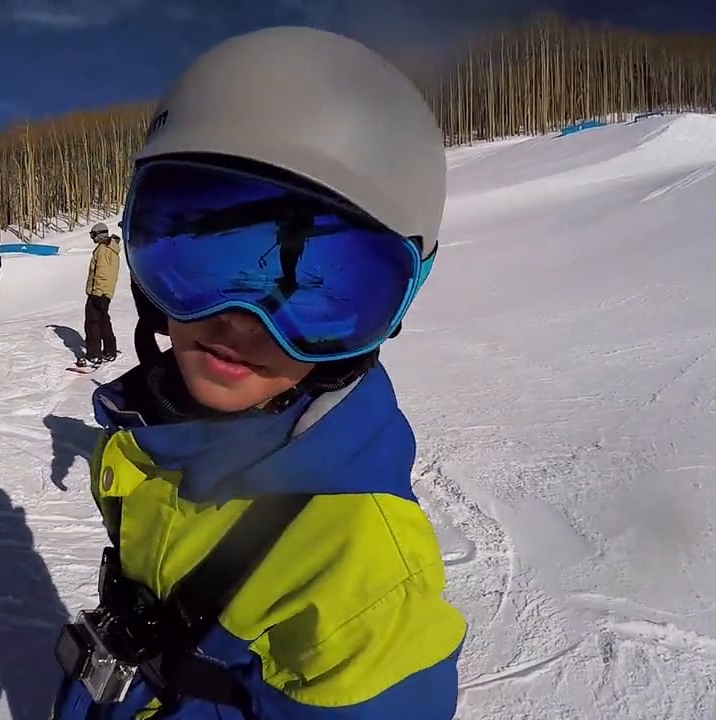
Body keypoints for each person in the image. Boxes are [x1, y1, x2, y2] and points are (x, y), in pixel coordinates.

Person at [50, 26, 465, 720]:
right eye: (204, 262)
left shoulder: (358, 570)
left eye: (323, 290)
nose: (241, 322)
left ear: (388, 315)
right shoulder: (137, 440)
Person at [78, 222, 121, 366]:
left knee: (92, 323)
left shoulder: (103, 250)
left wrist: (97, 293)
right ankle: (110, 350)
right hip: (106, 292)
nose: (92, 238)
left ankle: (94, 353)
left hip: (98, 292)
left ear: (99, 234)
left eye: (93, 235)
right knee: (103, 321)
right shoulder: (111, 248)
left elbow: (102, 273)